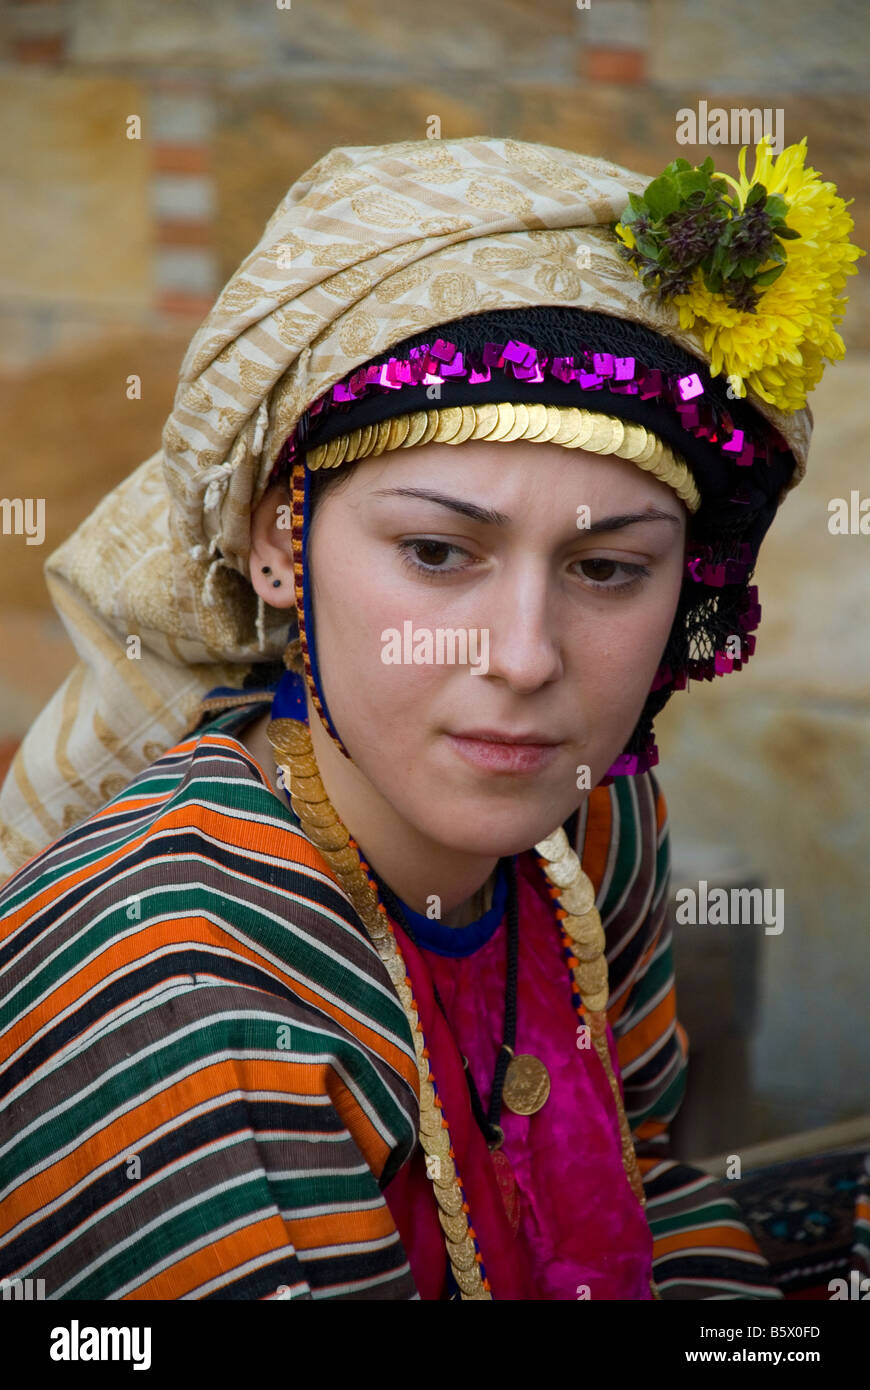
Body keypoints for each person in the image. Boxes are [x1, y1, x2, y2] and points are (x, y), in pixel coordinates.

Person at [0, 135, 861, 1300]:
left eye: (607, 569)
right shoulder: (185, 1006)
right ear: (276, 542)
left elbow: (645, 1175)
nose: (521, 659)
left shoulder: (585, 825)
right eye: (437, 551)